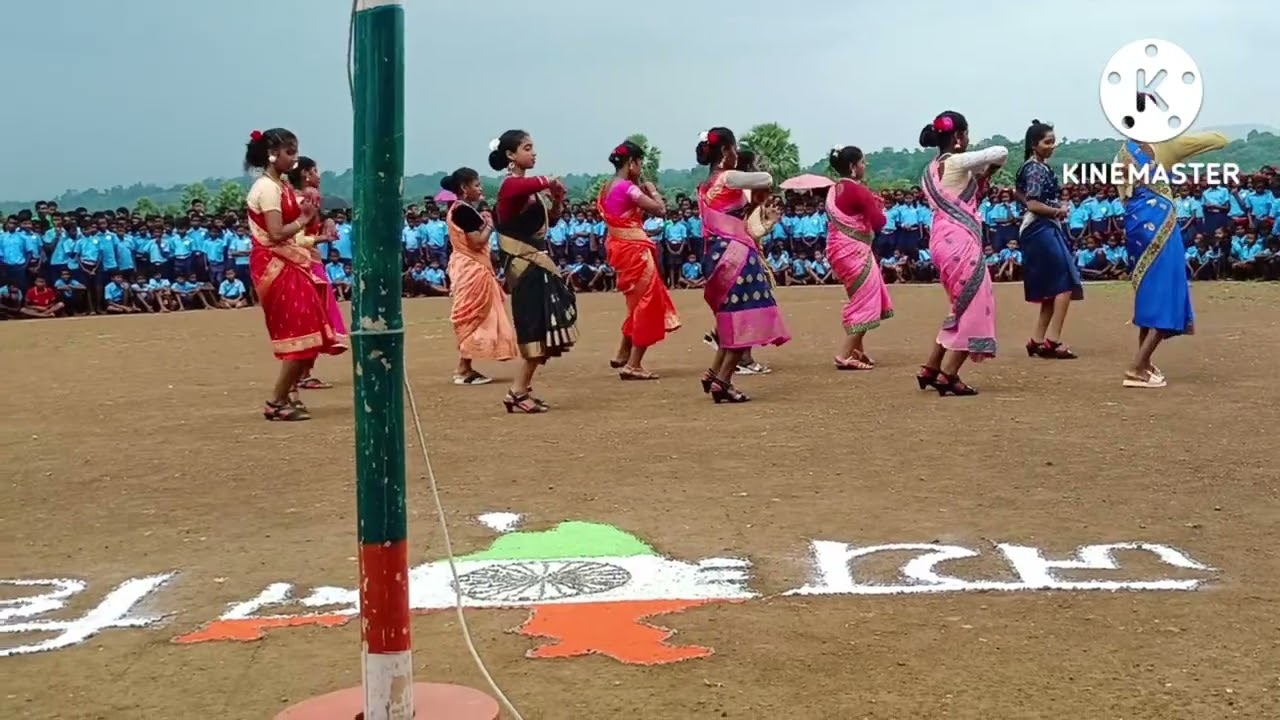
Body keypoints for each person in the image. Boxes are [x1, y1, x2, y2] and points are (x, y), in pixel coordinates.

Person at [1116, 108, 1228, 388]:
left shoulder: (1121, 155)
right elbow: (1219, 139)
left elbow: (1124, 196)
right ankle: (1137, 367)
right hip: (1162, 224)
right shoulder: (1161, 148)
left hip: (1137, 227)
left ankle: (1144, 361)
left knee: (1149, 292)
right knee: (1168, 292)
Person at [244, 128, 345, 421]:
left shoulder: (282, 185)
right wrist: (303, 219)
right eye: (290, 152)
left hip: (292, 262)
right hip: (276, 264)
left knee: (309, 326)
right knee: (299, 329)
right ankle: (277, 401)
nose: (294, 159)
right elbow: (276, 233)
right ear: (271, 154)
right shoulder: (267, 188)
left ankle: (289, 395)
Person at [915, 111, 1007, 396]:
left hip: (941, 240)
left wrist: (984, 173)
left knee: (960, 304)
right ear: (958, 136)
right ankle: (949, 374)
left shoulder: (929, 172)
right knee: (977, 303)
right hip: (960, 241)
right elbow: (1001, 152)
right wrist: (987, 166)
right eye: (966, 134)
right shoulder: (956, 162)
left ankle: (931, 367)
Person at [695, 127, 790, 404]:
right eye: (734, 149)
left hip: (715, 255)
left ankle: (715, 373)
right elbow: (766, 178)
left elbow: (737, 214)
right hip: (735, 255)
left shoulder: (706, 185)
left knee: (728, 317)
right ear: (726, 150)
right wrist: (757, 171)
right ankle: (723, 382)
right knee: (744, 317)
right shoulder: (728, 177)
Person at [488, 129, 577, 413]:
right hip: (525, 267)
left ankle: (522, 389)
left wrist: (558, 200)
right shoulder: (510, 187)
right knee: (534, 326)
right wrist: (550, 181)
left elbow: (549, 220)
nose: (533, 153)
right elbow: (530, 185)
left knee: (542, 325)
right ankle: (516, 391)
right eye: (527, 148)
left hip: (536, 265)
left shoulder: (528, 191)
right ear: (510, 155)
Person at [598, 140, 680, 380]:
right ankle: (633, 364)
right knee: (648, 302)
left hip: (620, 248)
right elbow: (660, 210)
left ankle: (623, 353)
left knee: (636, 302)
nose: (641, 168)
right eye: (640, 163)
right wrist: (652, 190)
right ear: (632, 163)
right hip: (635, 251)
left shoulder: (606, 187)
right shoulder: (628, 188)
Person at [441, 166, 518, 385]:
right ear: (464, 188)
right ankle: (463, 369)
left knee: (478, 315)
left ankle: (465, 366)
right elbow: (476, 242)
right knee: (474, 315)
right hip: (472, 269)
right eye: (477, 185)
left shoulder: (460, 209)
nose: (480, 188)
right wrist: (490, 225)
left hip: (467, 266)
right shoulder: (463, 211)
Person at [1016, 120, 1083, 360]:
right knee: (1065, 281)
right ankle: (1052, 341)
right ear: (1034, 145)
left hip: (1041, 228)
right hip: (1040, 227)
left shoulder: (1035, 167)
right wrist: (1058, 211)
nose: (1052, 146)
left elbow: (1022, 195)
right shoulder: (1035, 169)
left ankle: (1037, 340)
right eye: (1047, 142)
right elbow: (1033, 204)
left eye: (1053, 141)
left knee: (1052, 287)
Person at [826, 145, 892, 371]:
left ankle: (857, 350)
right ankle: (845, 354)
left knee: (860, 296)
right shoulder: (858, 190)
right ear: (853, 166)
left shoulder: (834, 189)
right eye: (863, 162)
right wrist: (878, 207)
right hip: (855, 250)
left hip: (839, 249)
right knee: (866, 299)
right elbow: (879, 222)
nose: (865, 166)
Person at [286, 156, 350, 391]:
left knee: (311, 319)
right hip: (307, 264)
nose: (318, 175)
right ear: (306, 174)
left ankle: (302, 373)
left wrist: (327, 221)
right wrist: (323, 237)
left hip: (306, 262)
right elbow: (297, 239)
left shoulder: (291, 197)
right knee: (313, 319)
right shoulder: (307, 198)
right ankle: (303, 374)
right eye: (315, 170)